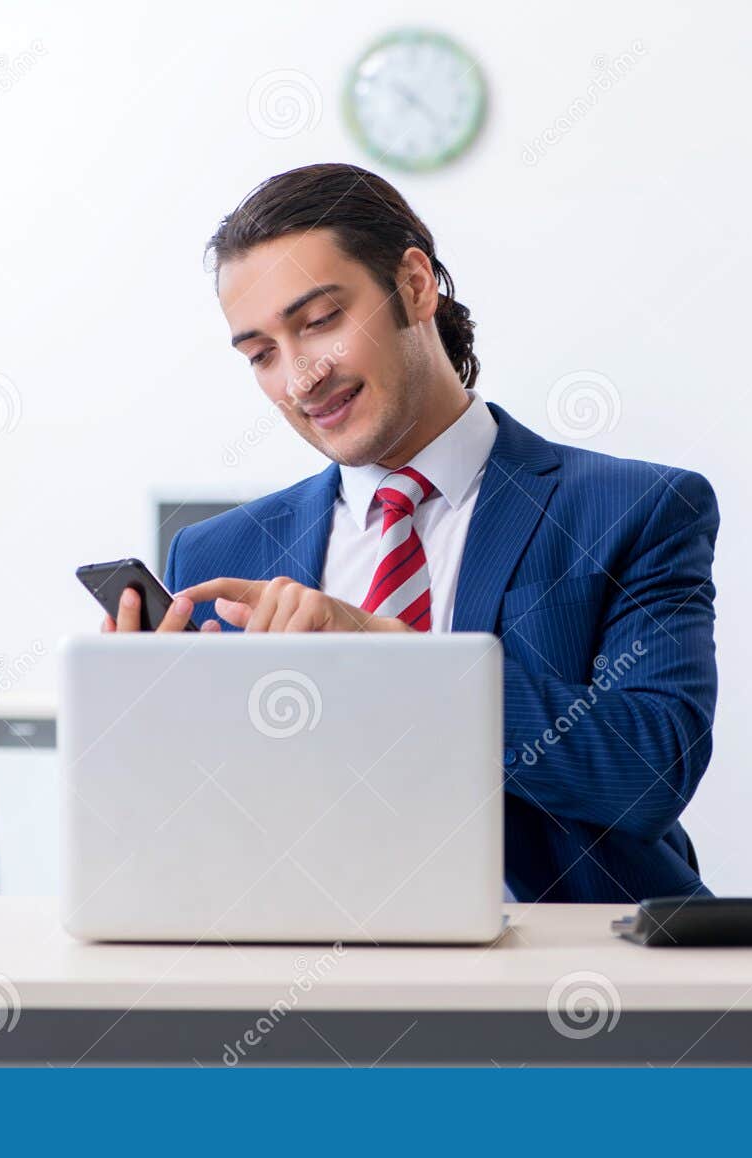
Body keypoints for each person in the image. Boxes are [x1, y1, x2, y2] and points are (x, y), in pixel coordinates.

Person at [103, 162, 719, 903]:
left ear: (416, 285)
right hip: (303, 970)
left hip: (559, 976)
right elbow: (199, 841)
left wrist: (399, 664)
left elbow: (650, 775)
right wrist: (148, 735)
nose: (299, 378)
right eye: (262, 355)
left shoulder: (635, 510)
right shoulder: (218, 558)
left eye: (321, 321)